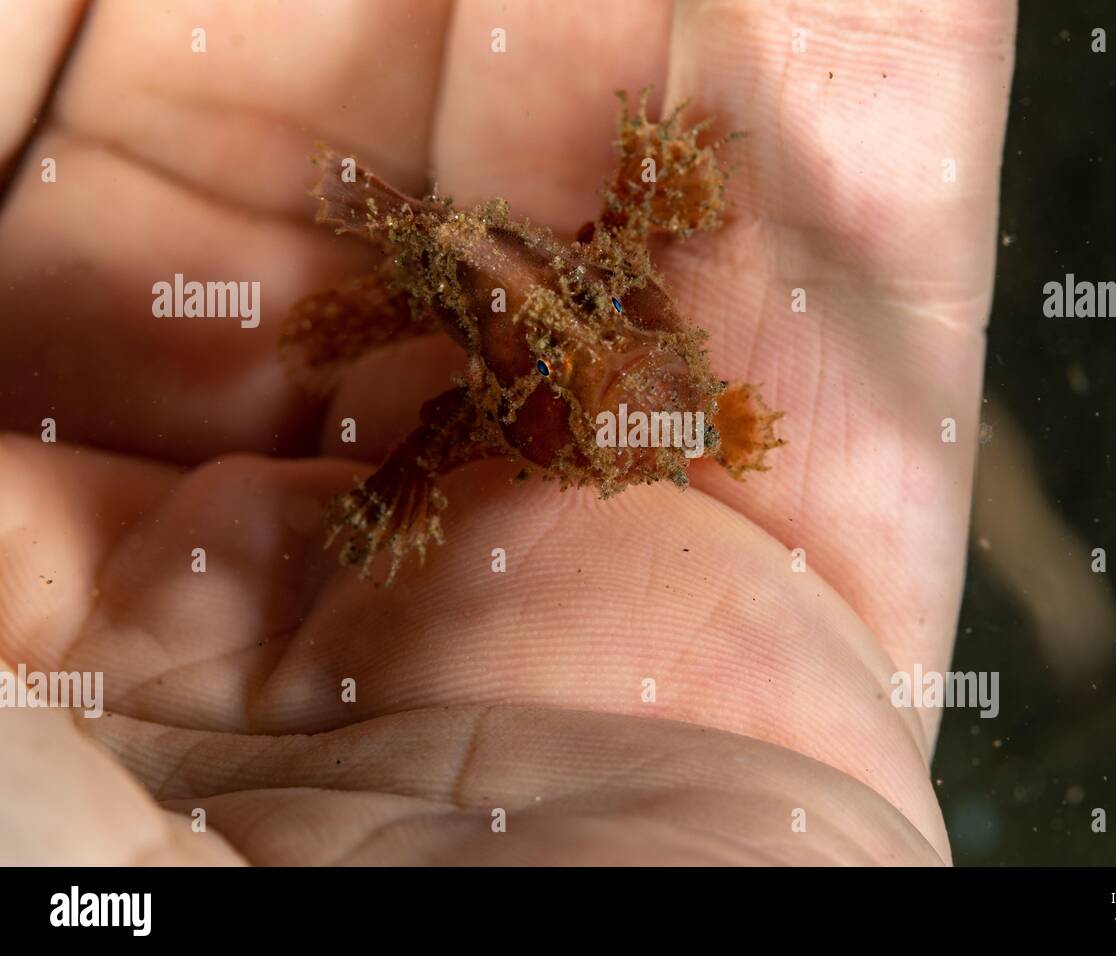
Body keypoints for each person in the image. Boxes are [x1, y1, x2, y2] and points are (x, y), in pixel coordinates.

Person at [0, 0, 1016, 865]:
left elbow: (649, 318)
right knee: (427, 269)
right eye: (593, 405)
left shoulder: (628, 332)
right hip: (452, 278)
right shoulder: (479, 403)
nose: (654, 421)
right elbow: (432, 438)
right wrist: (393, 494)